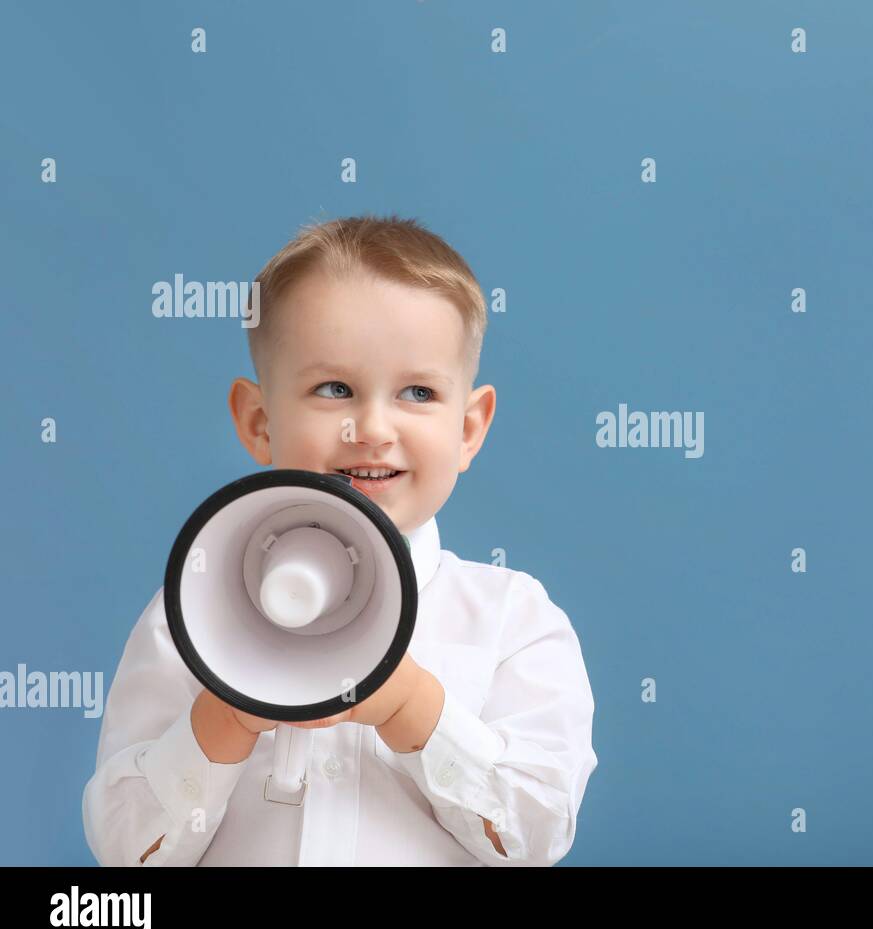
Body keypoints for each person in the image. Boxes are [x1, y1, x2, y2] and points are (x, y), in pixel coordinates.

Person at [82, 215, 598, 866]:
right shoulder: (191, 614)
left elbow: (537, 834)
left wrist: (414, 709)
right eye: (335, 388)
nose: (373, 428)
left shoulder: (513, 621)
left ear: (469, 428)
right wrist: (224, 719)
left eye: (418, 391)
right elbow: (126, 852)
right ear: (259, 421)